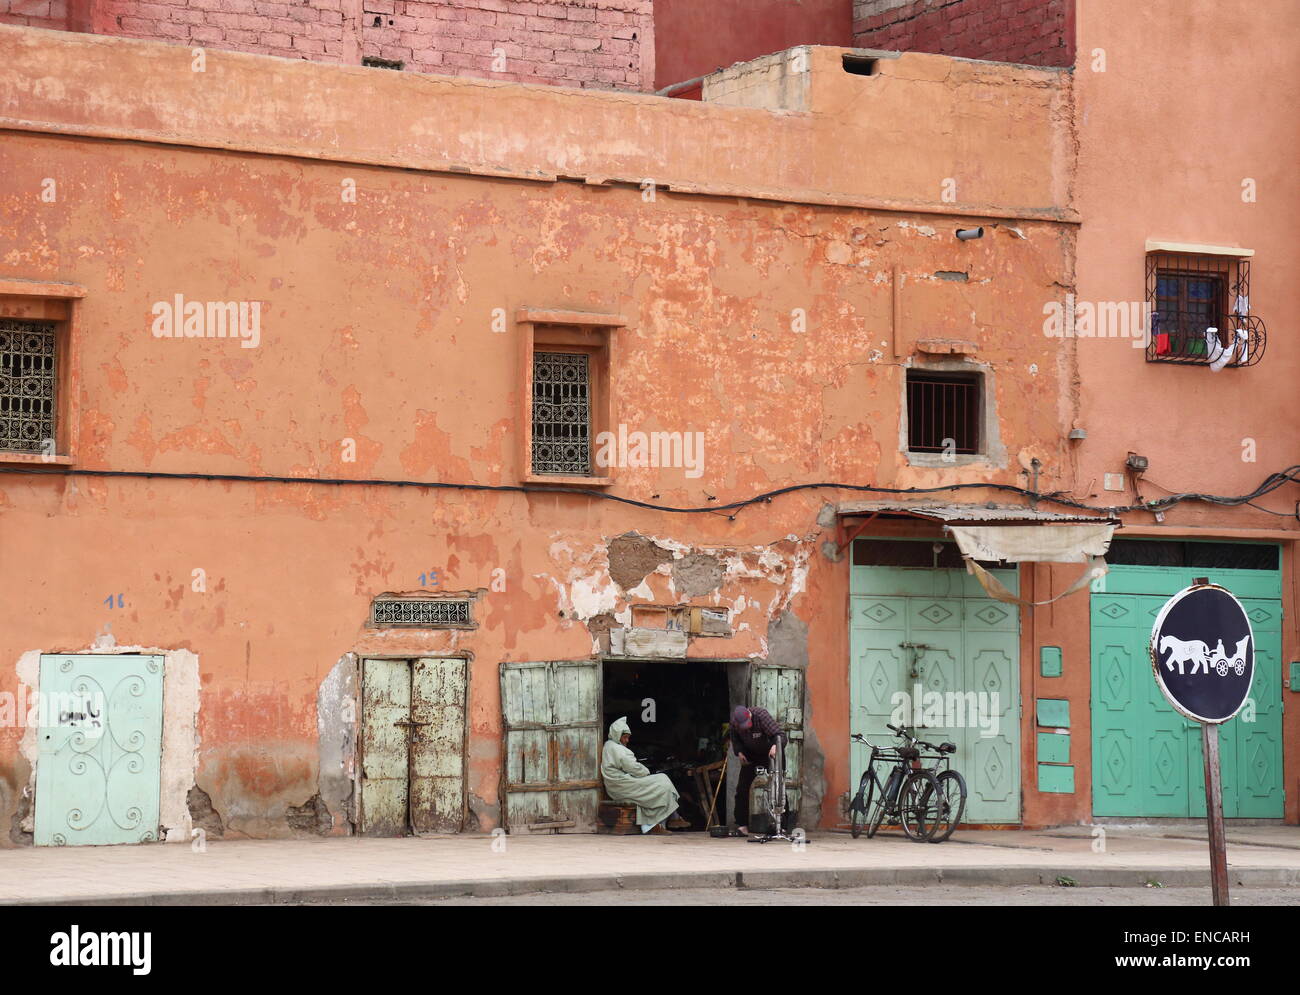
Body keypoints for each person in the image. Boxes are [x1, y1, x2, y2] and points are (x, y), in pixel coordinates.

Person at [601, 716, 687, 834]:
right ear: (617, 735)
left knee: (663, 782)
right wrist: (646, 771)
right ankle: (659, 823)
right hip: (623, 785)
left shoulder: (609, 746)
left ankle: (671, 818)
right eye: (625, 737)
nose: (627, 741)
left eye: (628, 737)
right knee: (662, 781)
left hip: (619, 785)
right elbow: (633, 767)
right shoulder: (617, 749)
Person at [728, 704, 785, 837]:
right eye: (743, 726)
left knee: (779, 787)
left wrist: (776, 746)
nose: (746, 728)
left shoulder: (761, 716)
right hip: (751, 755)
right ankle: (742, 826)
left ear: (750, 715)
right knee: (742, 788)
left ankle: (781, 825)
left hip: (771, 752)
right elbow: (735, 740)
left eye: (748, 724)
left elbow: (780, 735)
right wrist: (740, 752)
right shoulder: (734, 723)